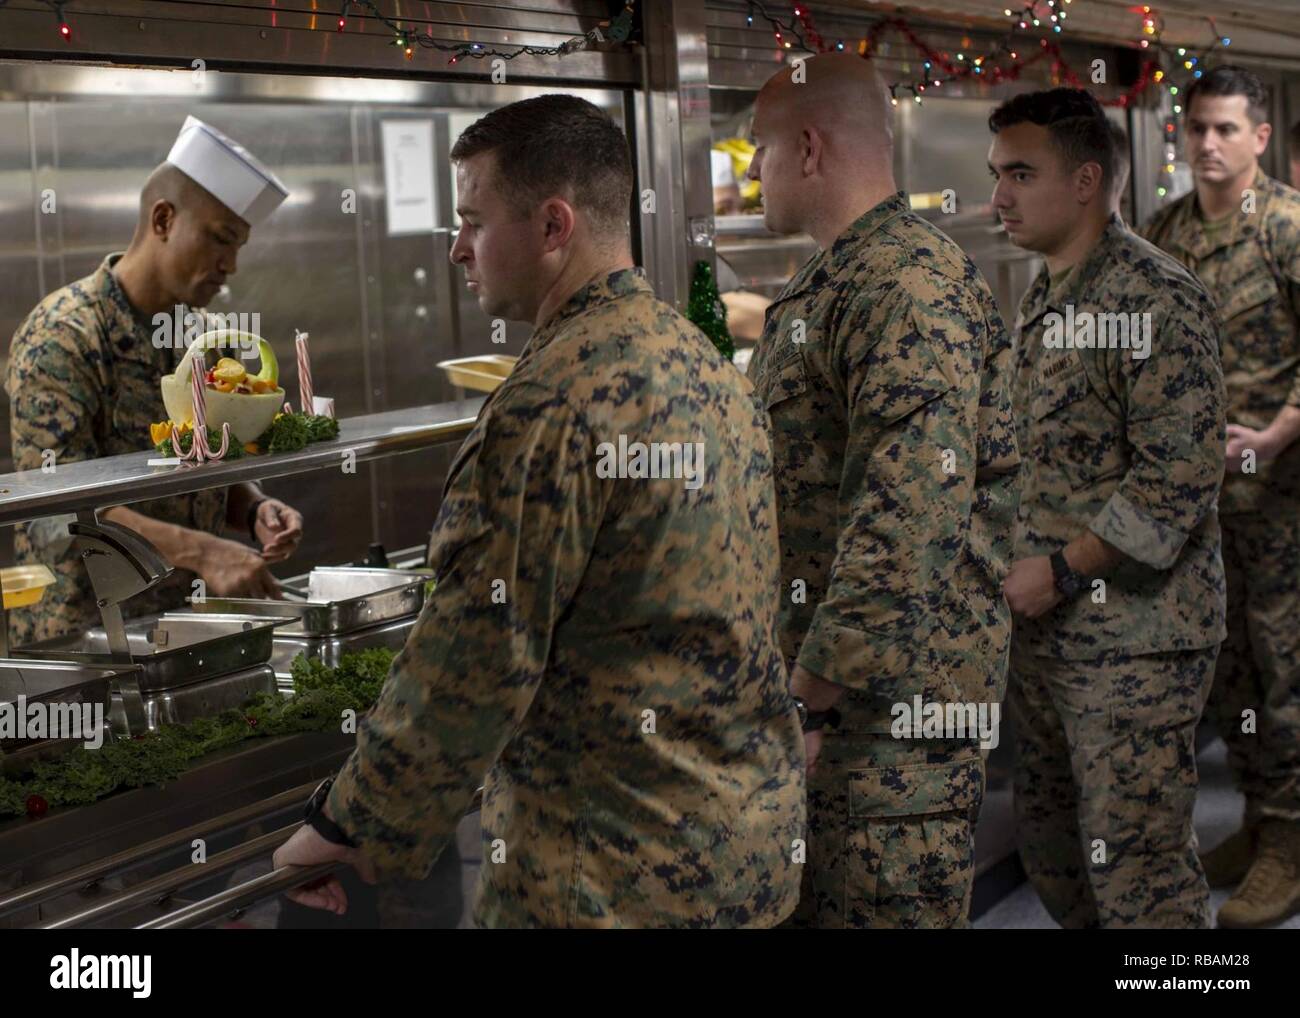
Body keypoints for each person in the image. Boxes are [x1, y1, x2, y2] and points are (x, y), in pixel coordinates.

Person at [272, 94, 805, 928]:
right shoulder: (702, 363)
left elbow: (475, 656)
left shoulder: (551, 402)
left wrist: (349, 822)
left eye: (474, 222)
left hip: (606, 881)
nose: (456, 249)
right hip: (744, 855)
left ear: (553, 226)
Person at [744, 53, 1020, 929]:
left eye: (761, 150)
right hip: (835, 714)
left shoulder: (904, 286)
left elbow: (907, 519)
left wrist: (809, 692)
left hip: (889, 728)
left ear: (811, 148)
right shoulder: (837, 281)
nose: (754, 172)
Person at [991, 87, 1227, 928]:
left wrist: (1058, 571)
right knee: (1057, 858)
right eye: (996, 175)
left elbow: (1179, 476)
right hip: (1048, 641)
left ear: (1086, 181)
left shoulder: (1156, 297)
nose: (998, 198)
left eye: (1022, 173)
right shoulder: (1045, 296)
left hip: (1136, 639)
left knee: (1140, 876)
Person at [5, 116, 302, 647]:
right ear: (163, 219)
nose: (230, 265)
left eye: (239, 247)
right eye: (219, 240)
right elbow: (57, 516)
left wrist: (254, 506)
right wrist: (204, 551)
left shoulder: (206, 339)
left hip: (188, 629)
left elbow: (209, 459)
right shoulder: (65, 338)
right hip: (89, 645)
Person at [1142, 66, 1300, 928]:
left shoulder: (1286, 227)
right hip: (1197, 508)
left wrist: (1278, 430)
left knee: (1285, 674)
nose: (1208, 144)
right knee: (1226, 672)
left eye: (1226, 130)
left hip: (1278, 500)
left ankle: (1292, 838)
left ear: (1260, 137)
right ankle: (1257, 813)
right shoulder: (1167, 229)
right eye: (1198, 128)